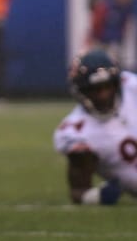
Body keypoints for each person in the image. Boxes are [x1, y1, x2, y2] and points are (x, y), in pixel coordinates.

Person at [53, 48, 136, 205]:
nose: (103, 95)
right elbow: (79, 191)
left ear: (116, 83)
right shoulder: (76, 131)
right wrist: (99, 196)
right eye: (95, 89)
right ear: (81, 90)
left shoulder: (131, 86)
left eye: (107, 86)